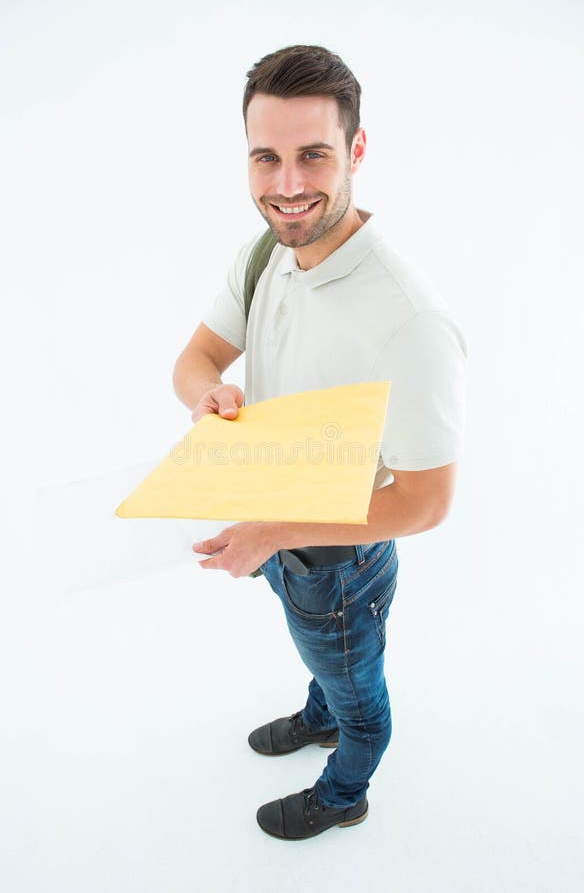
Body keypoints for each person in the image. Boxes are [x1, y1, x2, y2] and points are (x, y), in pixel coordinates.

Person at [172, 44, 467, 841]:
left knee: (359, 688)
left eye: (313, 155)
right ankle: (321, 711)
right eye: (266, 158)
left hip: (339, 562)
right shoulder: (266, 251)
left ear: (357, 150)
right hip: (278, 539)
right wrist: (206, 394)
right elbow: (195, 358)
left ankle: (344, 792)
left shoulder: (410, 322)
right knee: (325, 659)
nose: (288, 184)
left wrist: (274, 532)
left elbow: (428, 503)